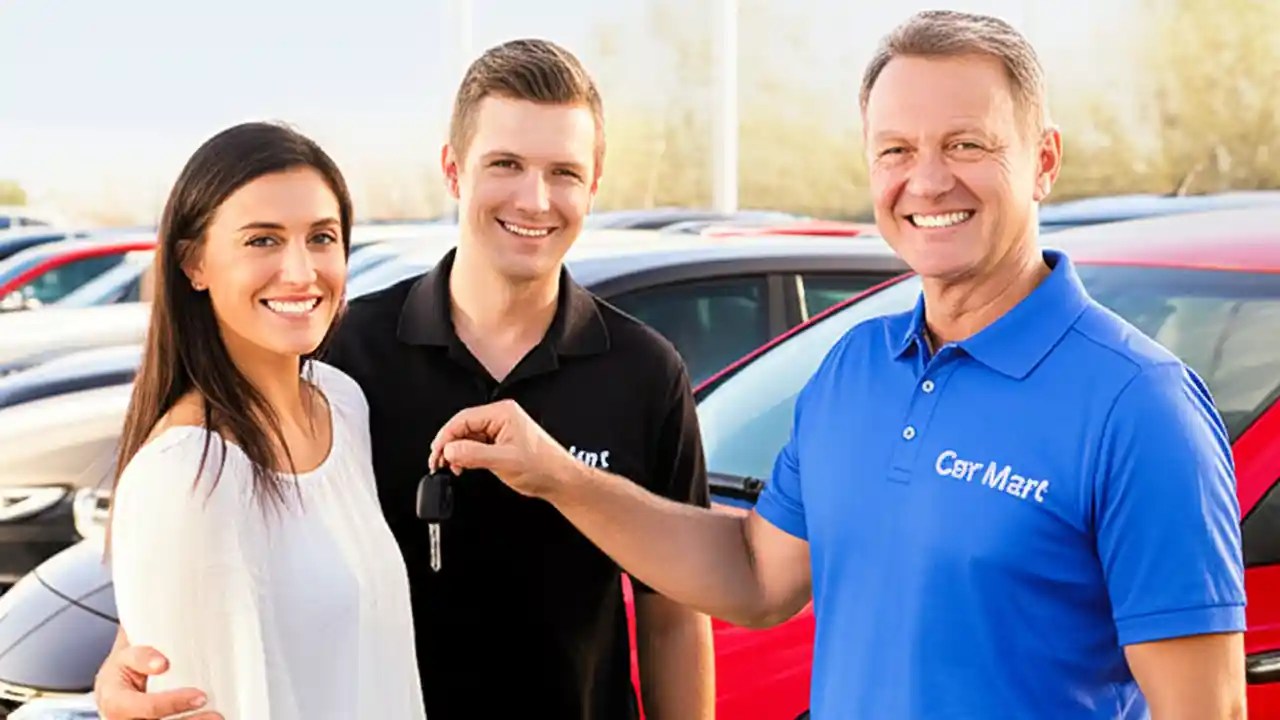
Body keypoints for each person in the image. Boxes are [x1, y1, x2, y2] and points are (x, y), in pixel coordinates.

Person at [426, 11, 1248, 720]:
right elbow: (754, 575)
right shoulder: (855, 368)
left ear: (1043, 159)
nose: (926, 180)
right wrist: (558, 475)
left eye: (966, 144)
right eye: (896, 149)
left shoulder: (1139, 407)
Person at [94, 40, 714, 720]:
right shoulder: (343, 363)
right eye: (505, 163)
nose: (535, 198)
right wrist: (130, 663)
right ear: (453, 169)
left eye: (563, 171)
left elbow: (674, 619)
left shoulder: (646, 371)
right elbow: (207, 552)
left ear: (593, 184)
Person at [103, 122, 427, 719]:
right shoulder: (185, 475)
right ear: (193, 263)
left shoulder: (343, 403)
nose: (301, 272)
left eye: (322, 237)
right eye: (262, 241)